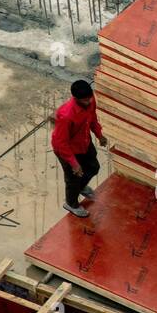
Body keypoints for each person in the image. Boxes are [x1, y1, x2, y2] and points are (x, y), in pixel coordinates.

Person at [51, 79, 108, 218]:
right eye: (85, 100)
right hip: (67, 150)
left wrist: (99, 135)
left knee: (93, 167)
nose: (89, 102)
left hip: (84, 141)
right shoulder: (66, 115)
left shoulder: (89, 100)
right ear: (76, 98)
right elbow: (61, 143)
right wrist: (74, 164)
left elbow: (92, 118)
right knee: (72, 180)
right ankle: (71, 204)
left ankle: (81, 187)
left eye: (89, 99)